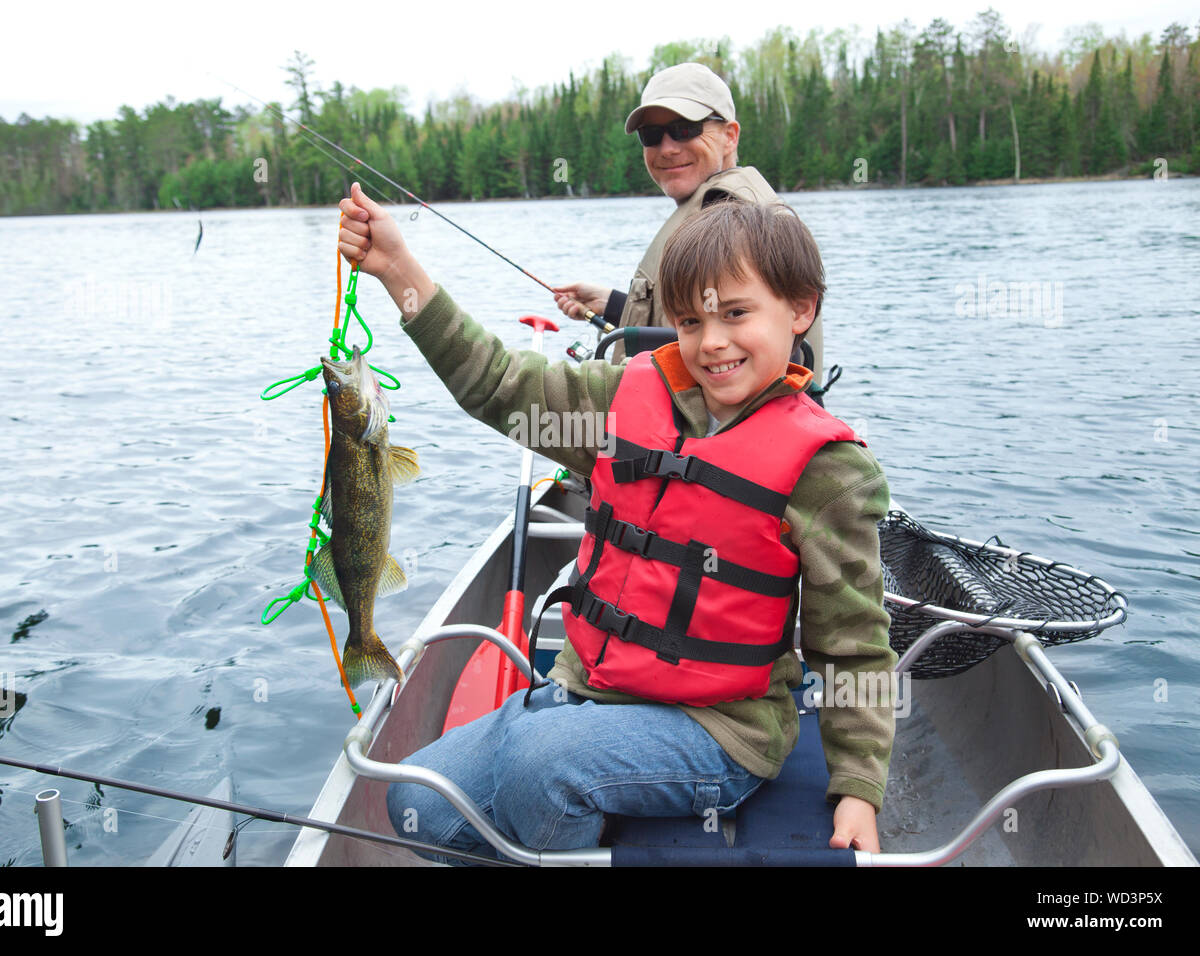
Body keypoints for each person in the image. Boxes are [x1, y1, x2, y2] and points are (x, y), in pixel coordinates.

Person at [336, 180, 893, 862]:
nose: (712, 344)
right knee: (419, 803)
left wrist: (859, 785)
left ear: (800, 309)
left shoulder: (829, 469)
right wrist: (398, 268)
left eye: (736, 315)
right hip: (591, 688)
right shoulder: (620, 400)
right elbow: (498, 384)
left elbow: (855, 643)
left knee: (543, 767)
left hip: (719, 730)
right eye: (690, 322)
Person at [553, 61, 823, 379]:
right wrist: (614, 304)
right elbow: (708, 318)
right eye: (651, 135)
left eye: (685, 129)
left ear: (730, 136)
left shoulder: (728, 216)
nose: (667, 148)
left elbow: (718, 348)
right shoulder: (712, 206)